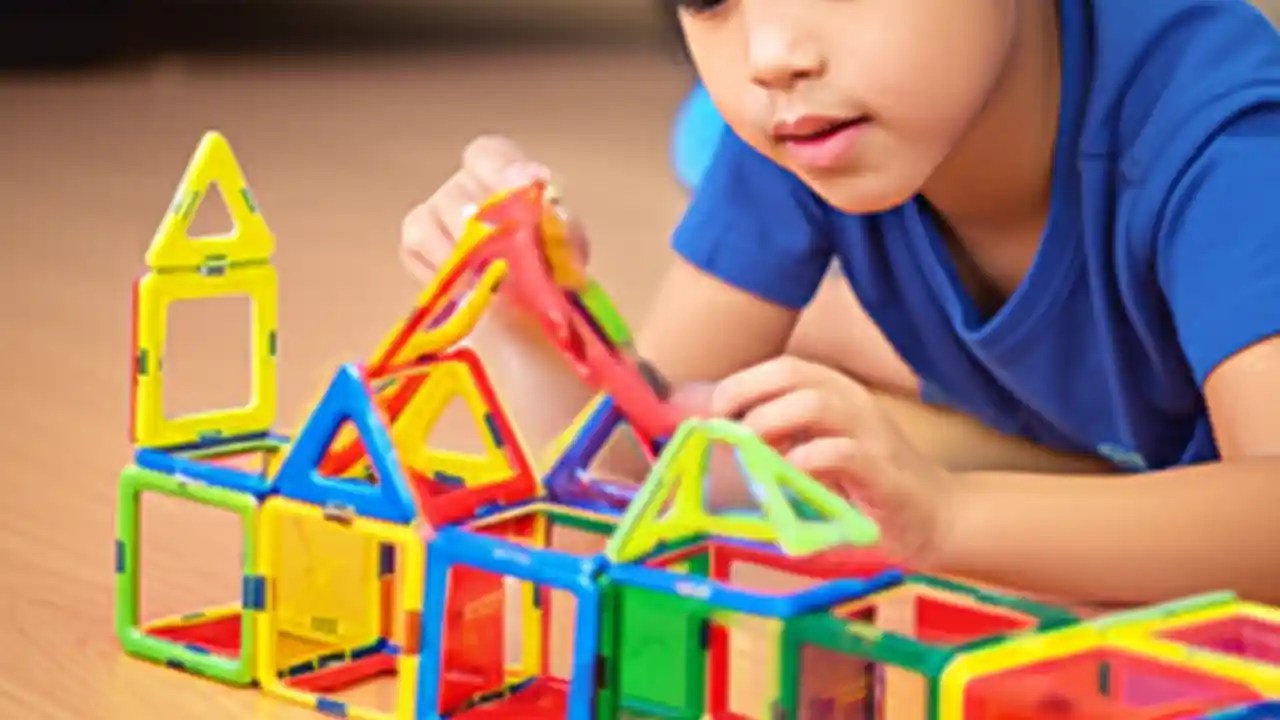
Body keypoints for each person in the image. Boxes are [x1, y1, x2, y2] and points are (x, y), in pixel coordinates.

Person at [399, 0, 1280, 607]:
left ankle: (839, 318)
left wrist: (949, 517)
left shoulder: (1224, 144)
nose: (769, 55)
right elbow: (641, 478)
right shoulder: (808, 124)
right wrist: (542, 325)